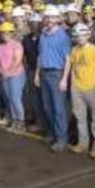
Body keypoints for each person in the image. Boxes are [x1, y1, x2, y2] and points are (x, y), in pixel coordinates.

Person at [66, 22, 95, 157]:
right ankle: (83, 144)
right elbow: (72, 68)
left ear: (88, 35)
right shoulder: (74, 50)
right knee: (80, 117)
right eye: (77, 36)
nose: (79, 38)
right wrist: (72, 86)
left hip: (92, 89)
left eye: (82, 35)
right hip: (77, 88)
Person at [36, 9, 71, 151]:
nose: (49, 20)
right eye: (47, 17)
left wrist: (64, 79)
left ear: (58, 18)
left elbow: (68, 59)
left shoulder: (63, 36)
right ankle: (53, 133)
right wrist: (37, 74)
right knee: (47, 106)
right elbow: (40, 55)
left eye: (52, 17)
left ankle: (62, 139)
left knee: (59, 108)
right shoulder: (43, 34)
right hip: (44, 73)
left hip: (57, 74)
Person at [0, 21, 25, 133]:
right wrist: (2, 72)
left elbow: (17, 61)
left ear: (12, 33)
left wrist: (8, 73)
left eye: (7, 33)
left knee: (16, 99)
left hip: (16, 75)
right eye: (3, 33)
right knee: (10, 99)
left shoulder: (17, 45)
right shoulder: (0, 47)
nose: (5, 35)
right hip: (5, 76)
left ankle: (21, 124)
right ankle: (14, 122)